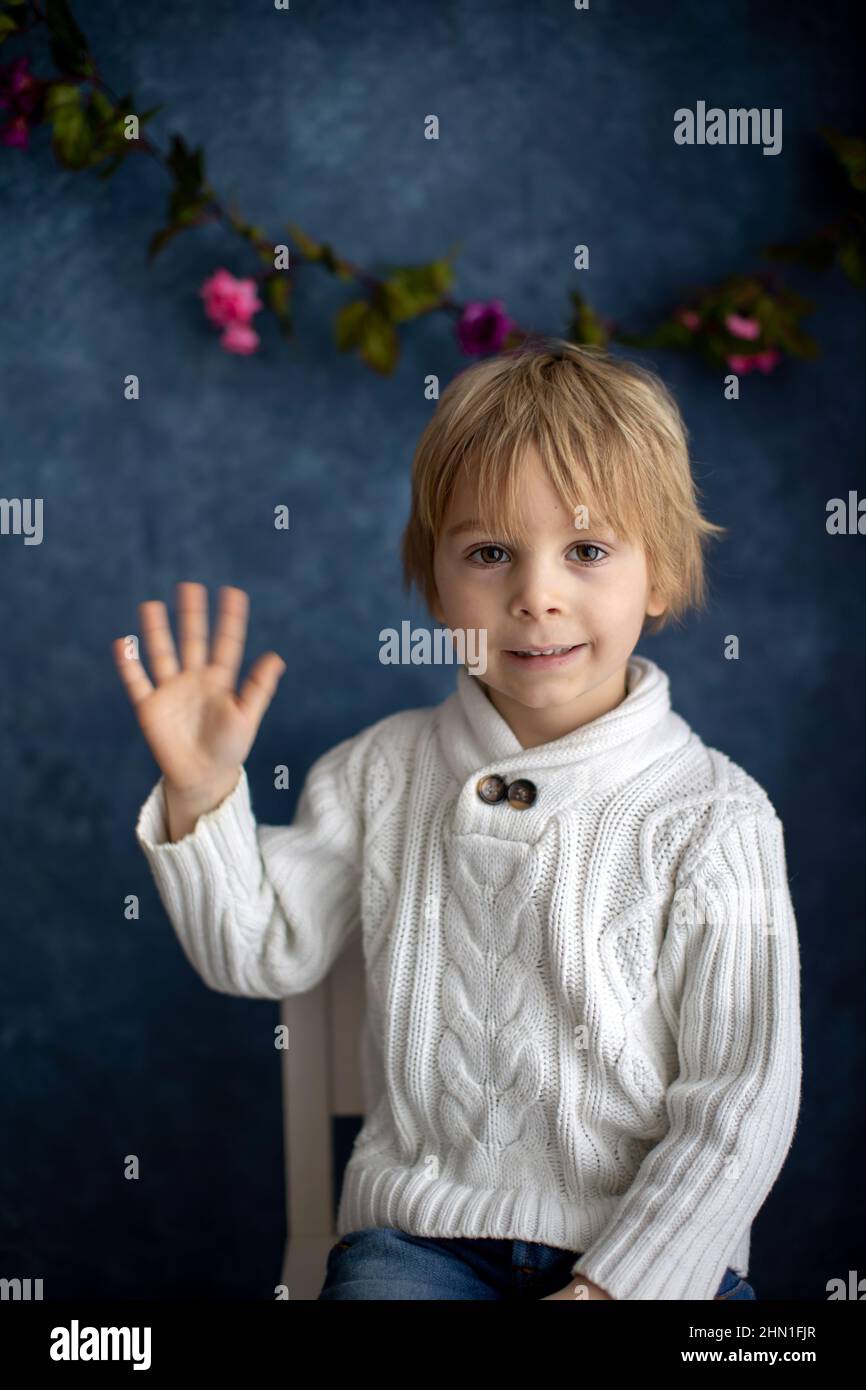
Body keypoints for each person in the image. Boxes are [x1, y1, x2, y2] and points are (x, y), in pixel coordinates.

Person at [113, 338, 801, 1300]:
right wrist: (202, 793)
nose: (536, 595)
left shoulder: (716, 816)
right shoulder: (378, 772)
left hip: (651, 1260)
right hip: (420, 1247)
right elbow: (258, 952)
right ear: (436, 584)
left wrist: (614, 1288)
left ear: (663, 577)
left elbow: (743, 1099)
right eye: (488, 553)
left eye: (588, 551)